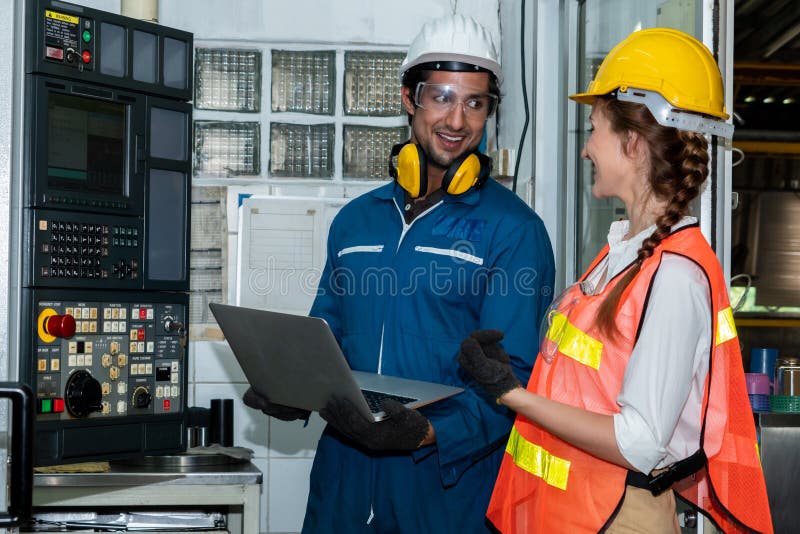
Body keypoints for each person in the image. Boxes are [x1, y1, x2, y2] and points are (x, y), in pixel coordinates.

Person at [243, 14, 555, 533]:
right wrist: (291, 387)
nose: (458, 120)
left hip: (444, 499)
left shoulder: (515, 230)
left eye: (475, 103)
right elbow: (329, 337)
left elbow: (513, 379)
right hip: (342, 493)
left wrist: (425, 434)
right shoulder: (355, 221)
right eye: (442, 97)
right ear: (410, 98)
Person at [458, 28, 773, 533]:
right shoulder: (622, 255)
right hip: (579, 513)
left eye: (593, 129)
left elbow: (640, 442)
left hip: (617, 519)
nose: (586, 150)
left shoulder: (675, 276)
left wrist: (511, 394)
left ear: (631, 143)